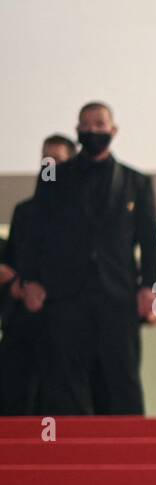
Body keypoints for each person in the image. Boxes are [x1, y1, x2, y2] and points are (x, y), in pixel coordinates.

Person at [17, 102, 156, 414]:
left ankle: (129, 452)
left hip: (118, 297)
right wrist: (29, 280)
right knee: (65, 381)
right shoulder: (53, 177)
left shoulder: (137, 182)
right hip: (65, 297)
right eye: (87, 125)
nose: (93, 130)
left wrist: (150, 288)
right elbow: (35, 233)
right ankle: (68, 455)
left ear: (113, 130)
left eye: (100, 124)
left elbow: (150, 242)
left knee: (121, 377)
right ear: (77, 130)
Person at [0, 134, 76, 415]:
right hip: (23, 327)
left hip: (64, 330)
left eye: (56, 161)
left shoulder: (82, 216)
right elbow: (14, 265)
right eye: (45, 160)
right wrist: (18, 286)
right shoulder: (25, 212)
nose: (49, 167)